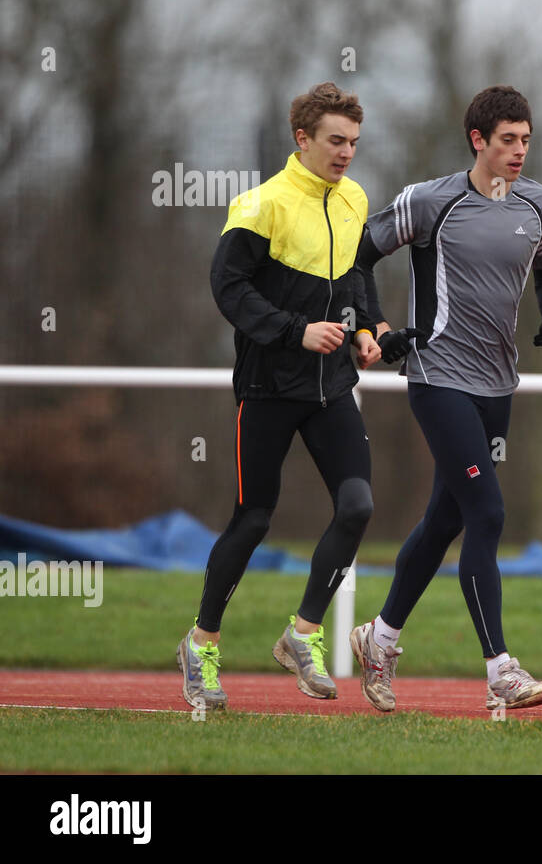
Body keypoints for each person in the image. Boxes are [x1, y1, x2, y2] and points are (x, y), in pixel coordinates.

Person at [347, 85, 542, 713]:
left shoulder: (540, 205)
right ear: (478, 140)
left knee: (447, 518)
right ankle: (500, 668)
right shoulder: (429, 201)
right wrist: (379, 329)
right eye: (508, 141)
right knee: (487, 514)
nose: (520, 151)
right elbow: (358, 257)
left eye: (527, 140)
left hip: (500, 384)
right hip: (436, 375)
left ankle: (379, 637)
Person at [178, 81, 382, 712]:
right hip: (268, 387)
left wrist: (367, 331)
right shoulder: (260, 204)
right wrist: (296, 332)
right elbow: (229, 288)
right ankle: (202, 644)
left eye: (353, 142)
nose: (346, 152)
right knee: (255, 518)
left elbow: (355, 276)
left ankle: (302, 635)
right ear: (303, 139)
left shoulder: (354, 200)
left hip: (331, 390)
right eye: (334, 141)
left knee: (357, 507)